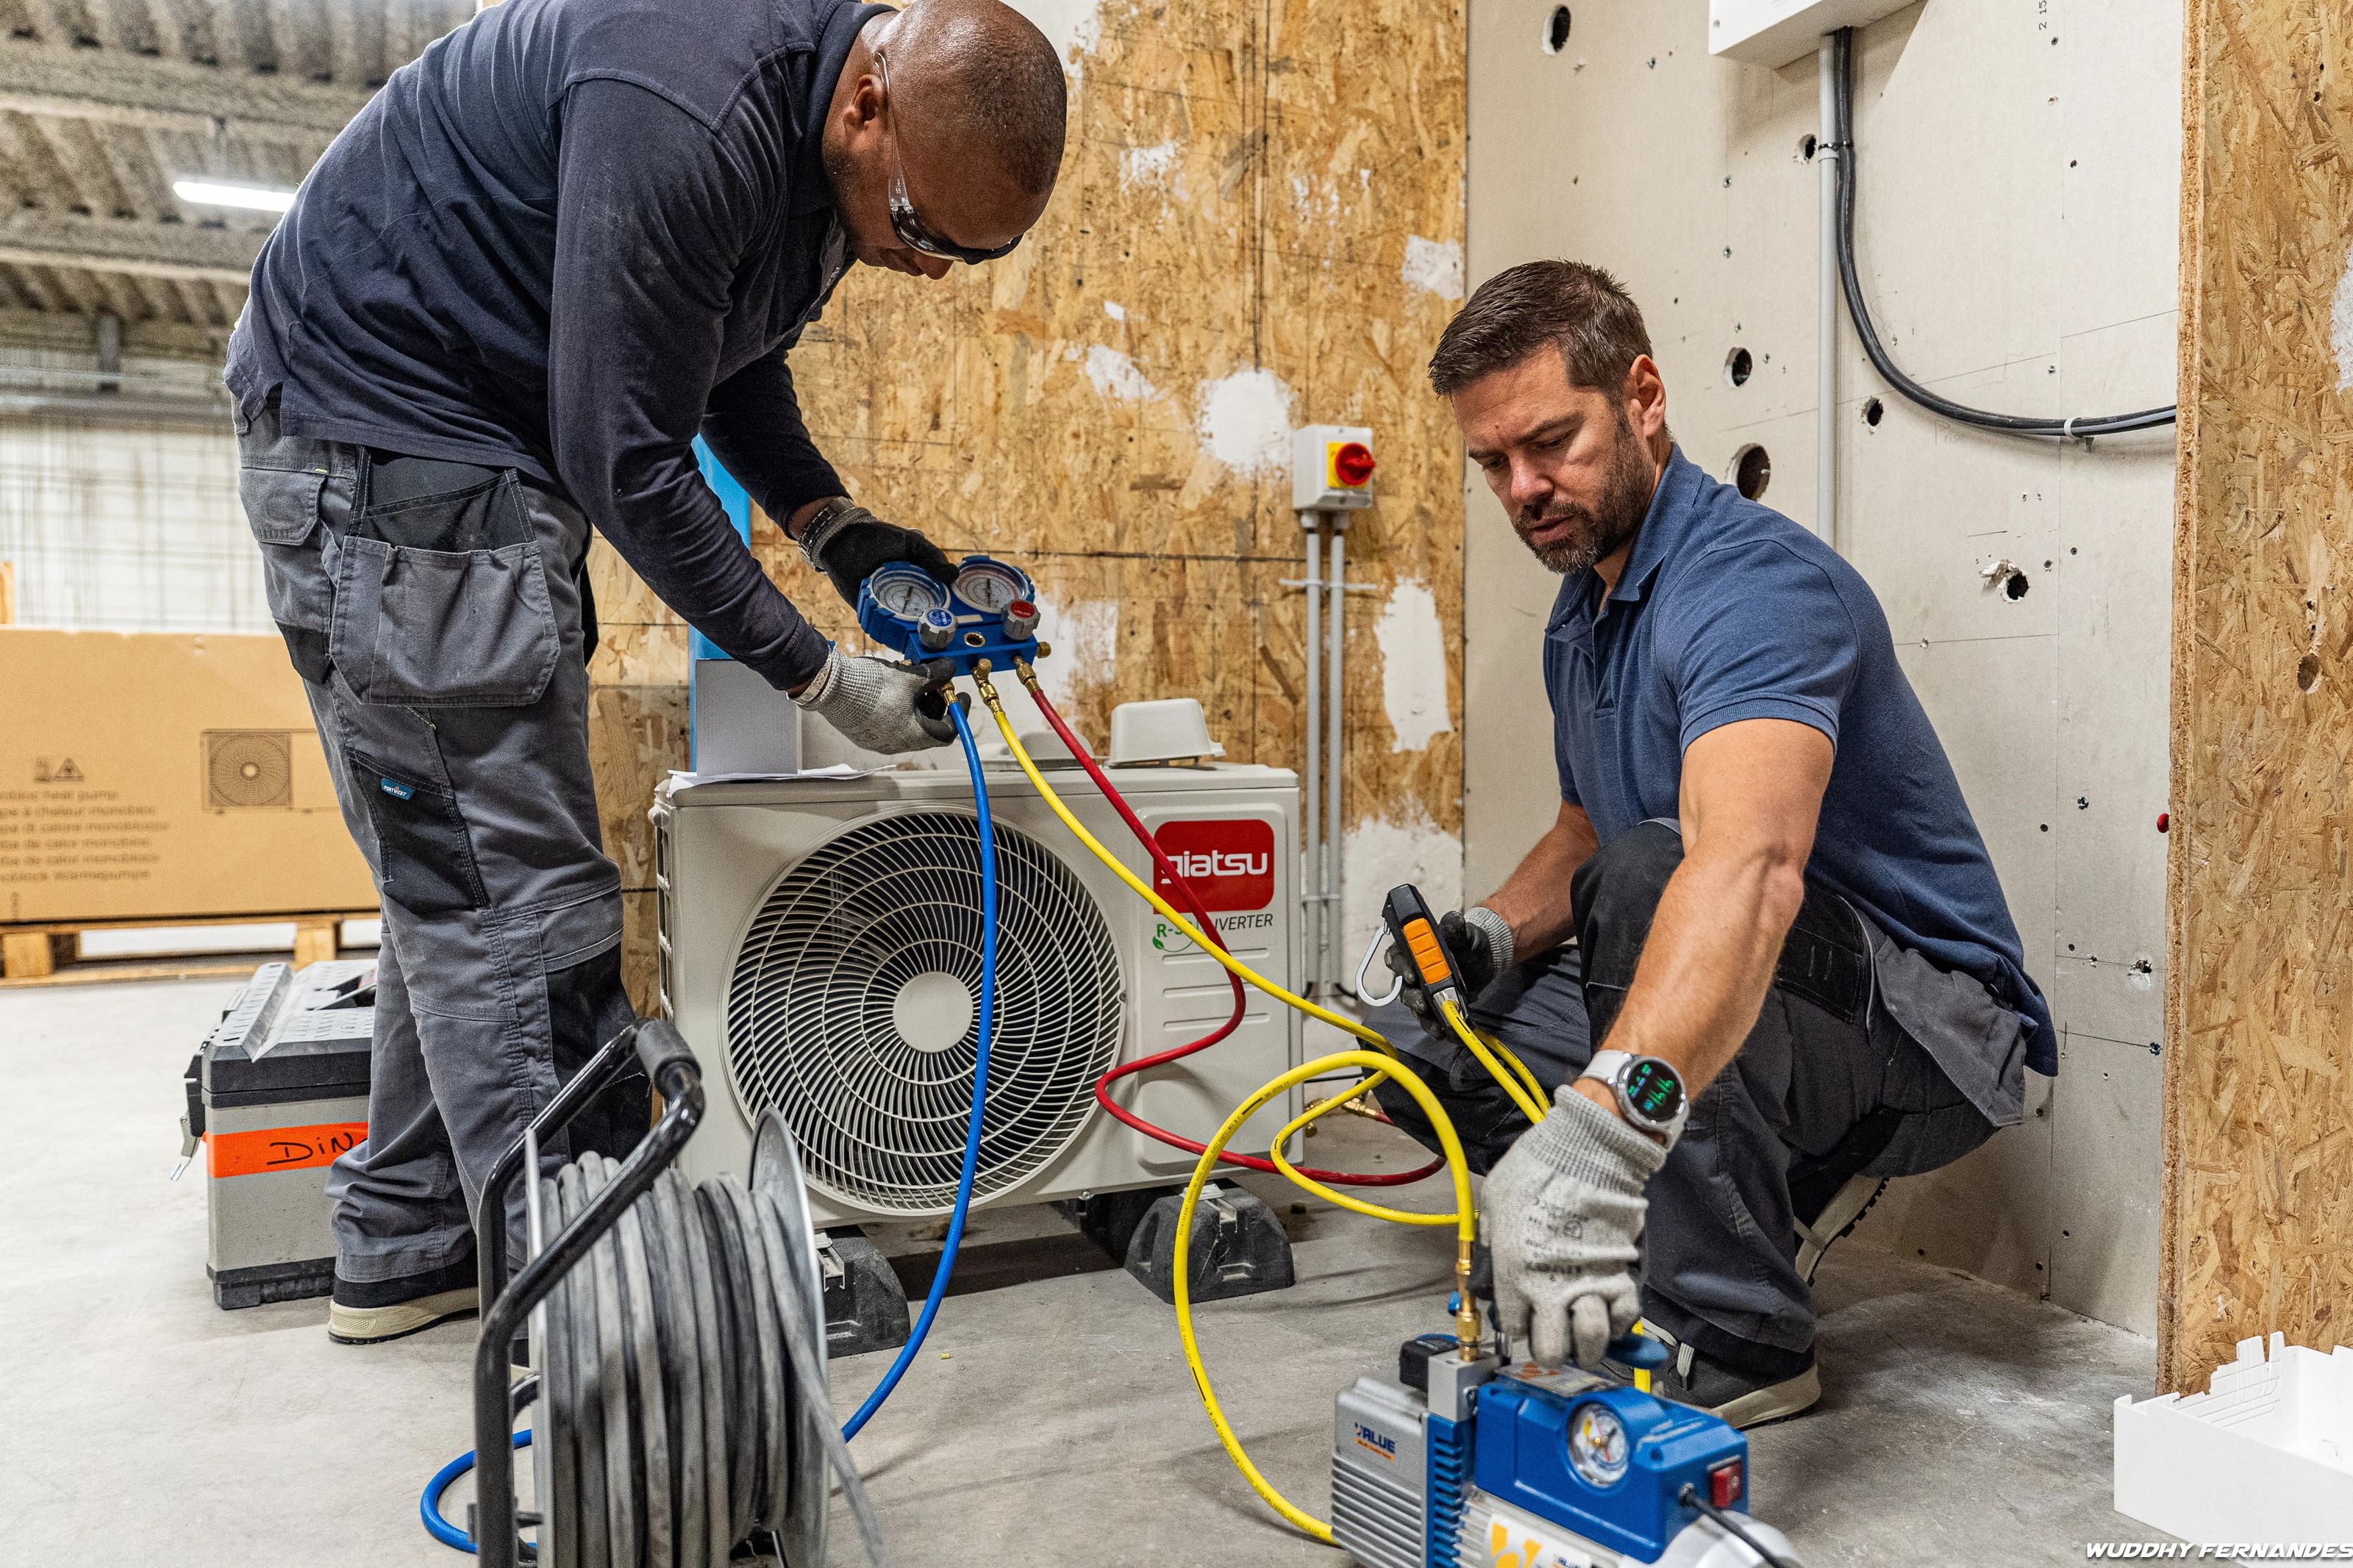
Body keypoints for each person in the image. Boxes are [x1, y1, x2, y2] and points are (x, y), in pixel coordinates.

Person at [227, 0, 1067, 1344]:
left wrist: (838, 534)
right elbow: (627, 454)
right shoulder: (690, 104)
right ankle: (596, 1341)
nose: (923, 269)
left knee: (461, 860)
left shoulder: (824, 138)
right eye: (917, 228)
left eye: (967, 255)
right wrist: (823, 681)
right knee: (524, 905)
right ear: (869, 102)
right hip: (388, 444)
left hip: (466, 452)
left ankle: (408, 1241)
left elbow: (725, 362)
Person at [1382, 260, 2052, 1428]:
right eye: (1494, 463)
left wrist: (1595, 1137)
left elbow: (1746, 870)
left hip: (1923, 1031)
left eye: (1551, 442)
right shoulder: (1583, 613)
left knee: (1652, 879)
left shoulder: (1753, 587)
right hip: (1775, 991)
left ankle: (1743, 1330)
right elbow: (1582, 827)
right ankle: (1647, 1255)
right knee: (1421, 1043)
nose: (1525, 487)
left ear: (1643, 396)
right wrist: (1488, 933)